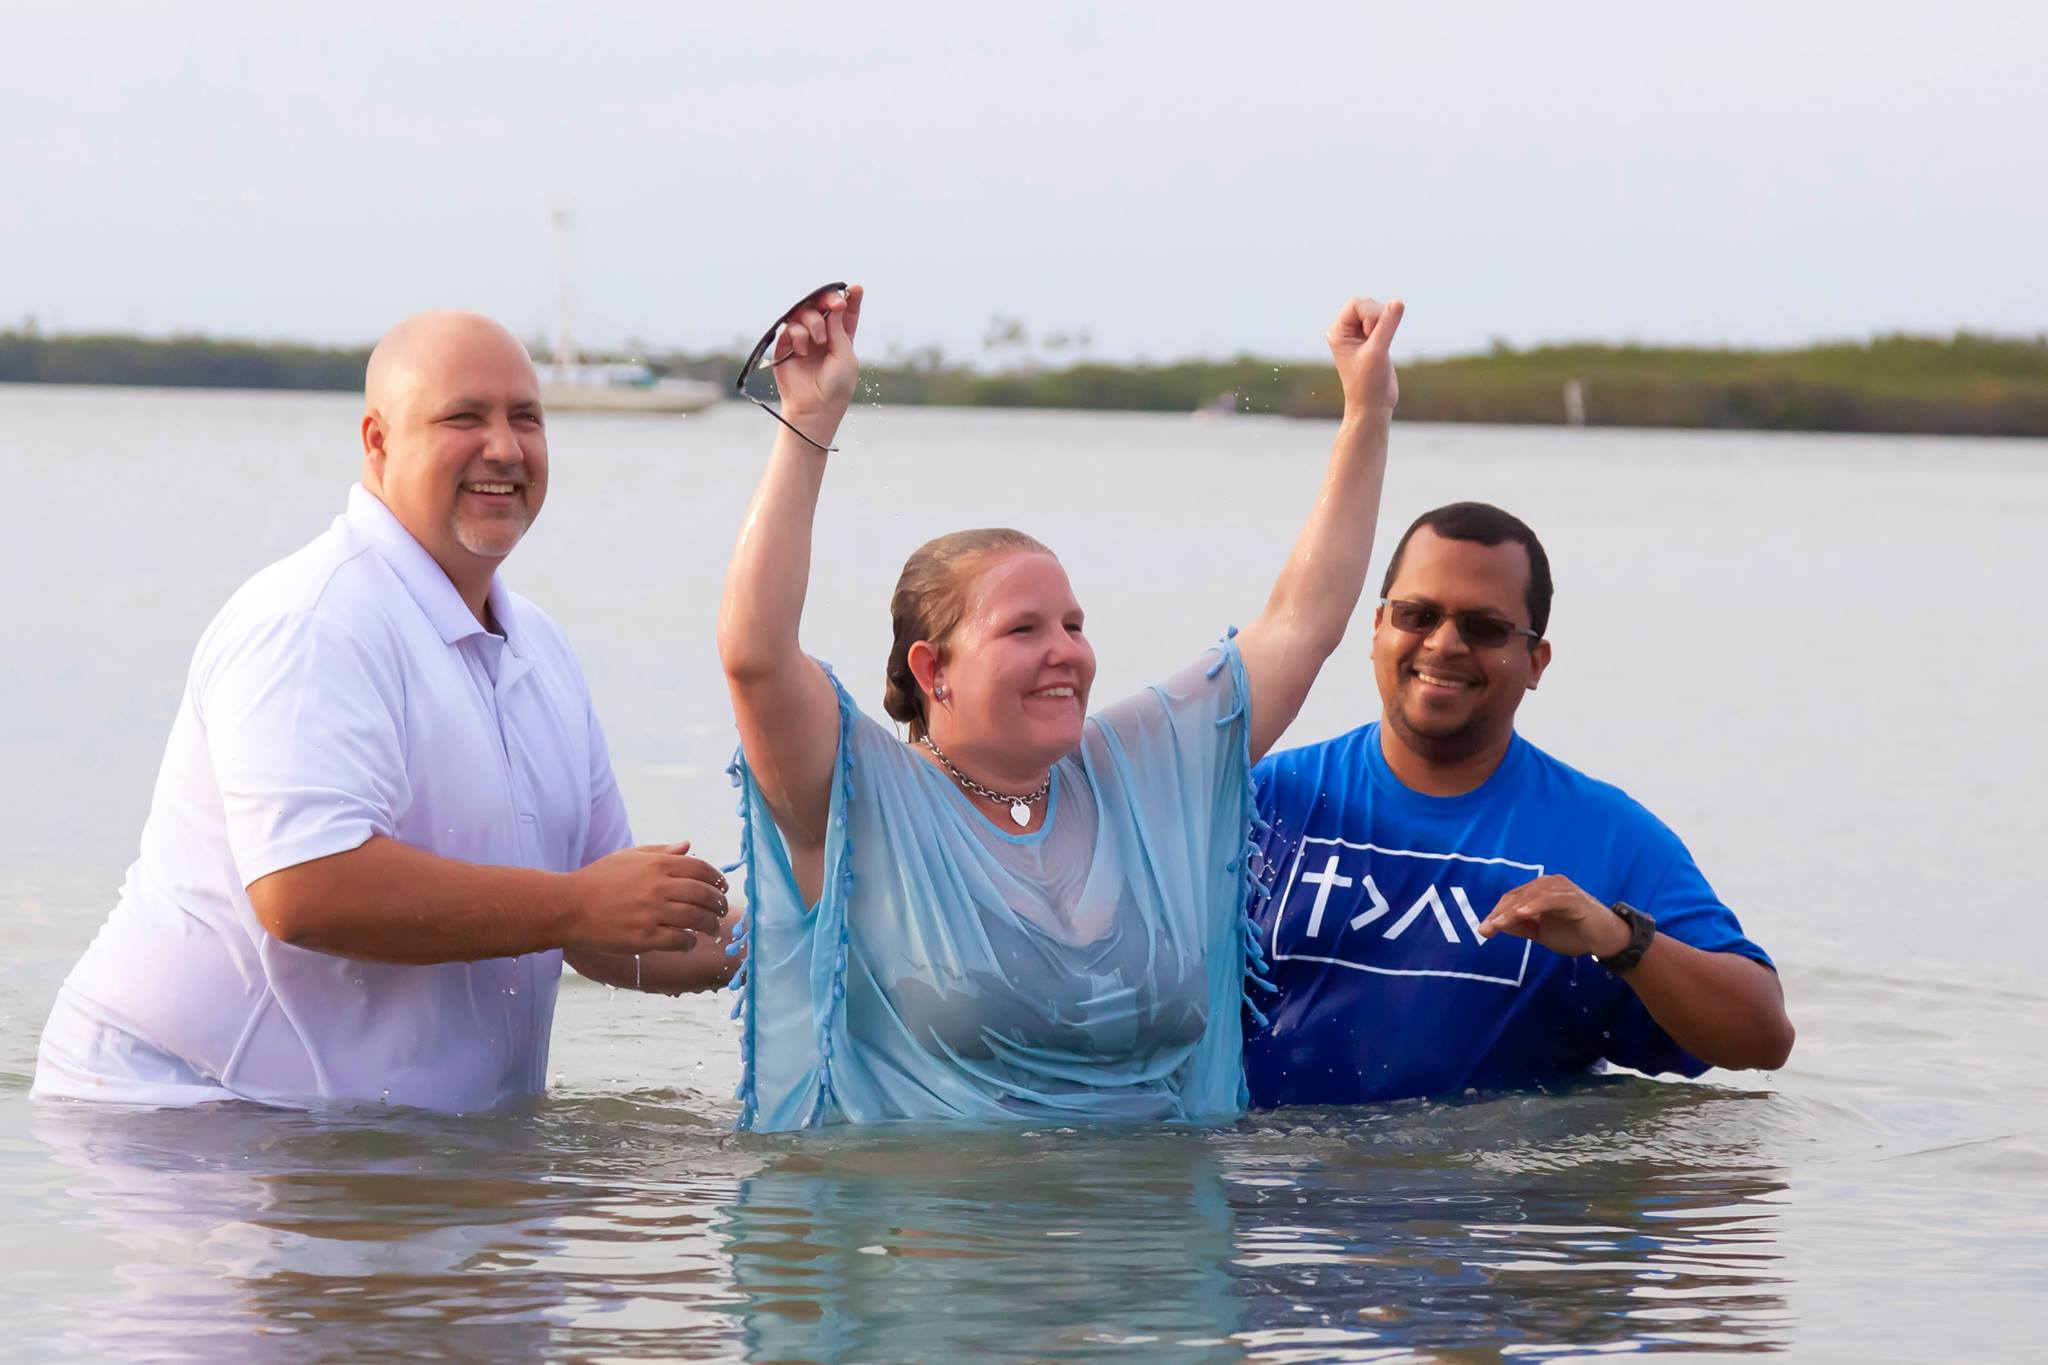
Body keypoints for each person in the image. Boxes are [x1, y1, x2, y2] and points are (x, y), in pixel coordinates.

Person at [718, 284, 1404, 1130]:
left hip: (1152, 1247)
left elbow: (1302, 625)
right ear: (933, 667)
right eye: (1024, 628)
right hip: (944, 1244)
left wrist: (1365, 414)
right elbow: (754, 656)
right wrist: (810, 425)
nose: (1066, 652)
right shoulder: (857, 798)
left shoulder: (1137, 768)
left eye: (1075, 624)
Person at [32, 310, 734, 1113]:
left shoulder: (540, 647)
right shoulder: (314, 617)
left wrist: (816, 944)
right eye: (464, 417)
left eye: (526, 418)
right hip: (188, 1126)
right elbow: (307, 888)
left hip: (393, 1157)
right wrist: (578, 903)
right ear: (377, 440)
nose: (503, 447)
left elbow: (613, 930)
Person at [1243, 502, 1795, 1106]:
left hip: (1499, 1193)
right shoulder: (1267, 800)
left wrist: (1620, 940)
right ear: (1377, 629)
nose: (1445, 643)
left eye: (1484, 628)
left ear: (1536, 662)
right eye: (1418, 615)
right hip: (1270, 1185)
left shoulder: (1608, 843)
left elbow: (1763, 1039)